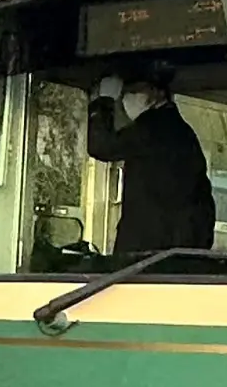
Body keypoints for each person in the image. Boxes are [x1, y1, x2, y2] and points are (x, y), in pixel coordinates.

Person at [87, 63, 215, 263]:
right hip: (175, 256)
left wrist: (103, 102)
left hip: (144, 257)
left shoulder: (155, 128)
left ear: (156, 94)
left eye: (132, 90)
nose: (126, 97)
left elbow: (100, 146)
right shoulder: (181, 132)